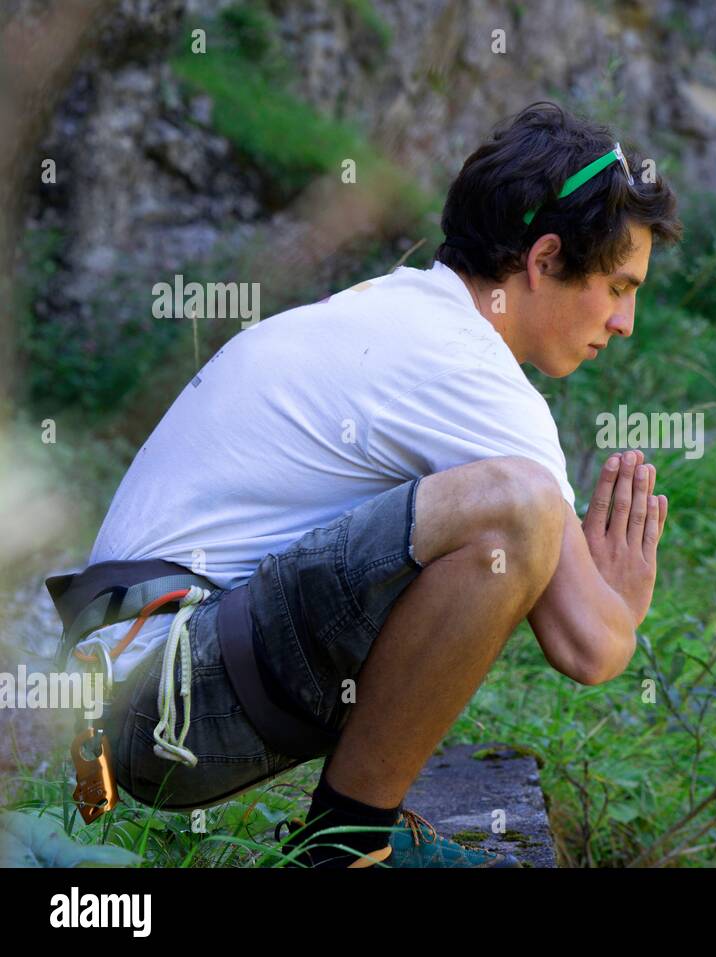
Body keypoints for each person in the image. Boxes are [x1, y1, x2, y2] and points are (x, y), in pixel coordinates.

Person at [78, 100, 683, 867]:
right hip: (163, 699)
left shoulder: (402, 310)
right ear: (544, 260)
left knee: (484, 522)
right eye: (620, 288)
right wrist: (619, 604)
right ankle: (346, 846)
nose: (625, 322)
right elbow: (590, 647)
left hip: (144, 685)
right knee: (518, 507)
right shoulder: (467, 369)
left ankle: (356, 833)